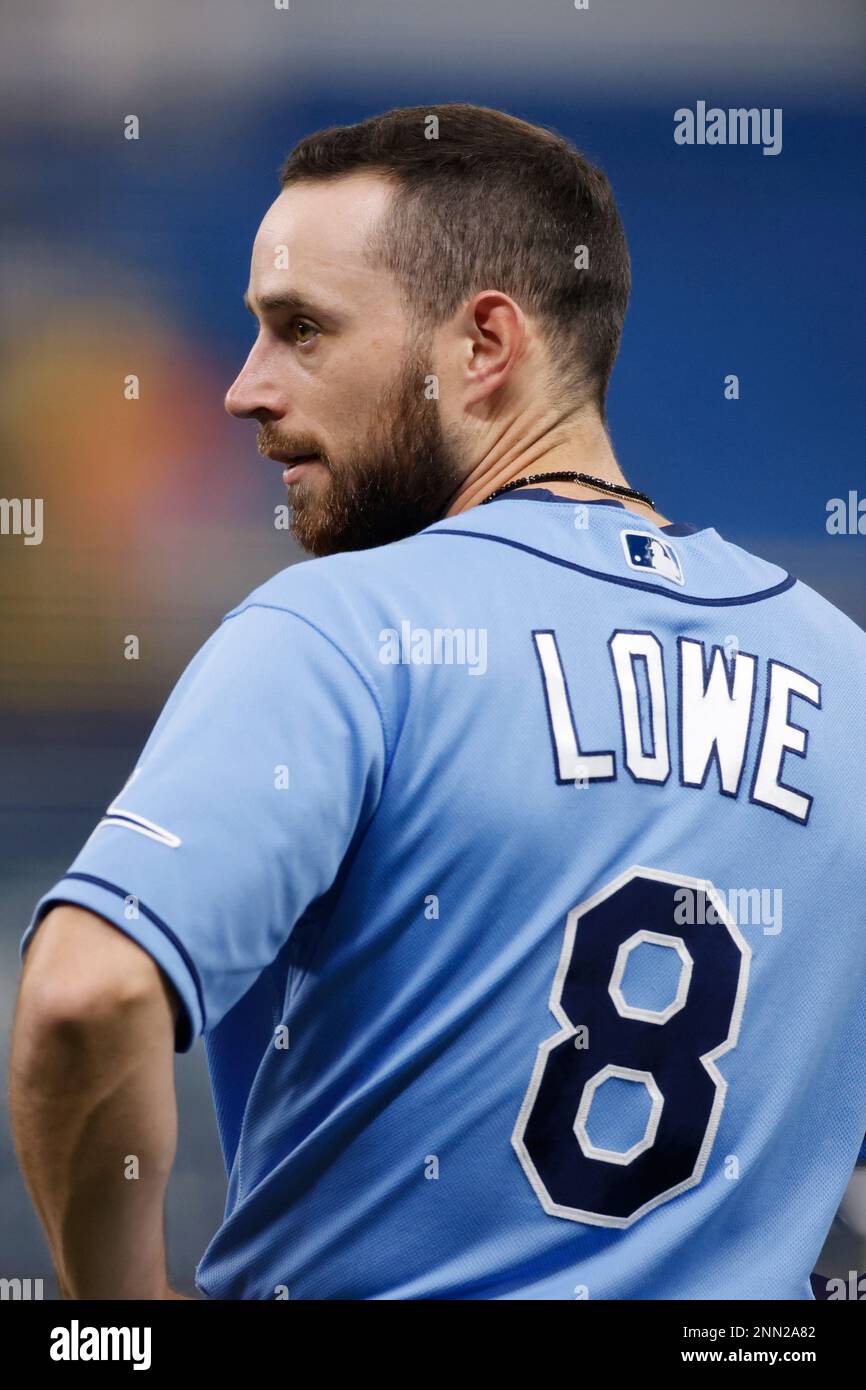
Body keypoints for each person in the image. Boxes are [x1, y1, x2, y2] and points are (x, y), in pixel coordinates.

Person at [11, 103, 866, 1301]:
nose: (244, 388)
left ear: (482, 346)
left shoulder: (340, 634)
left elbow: (82, 994)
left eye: (300, 330)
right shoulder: (844, 678)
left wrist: (115, 1325)